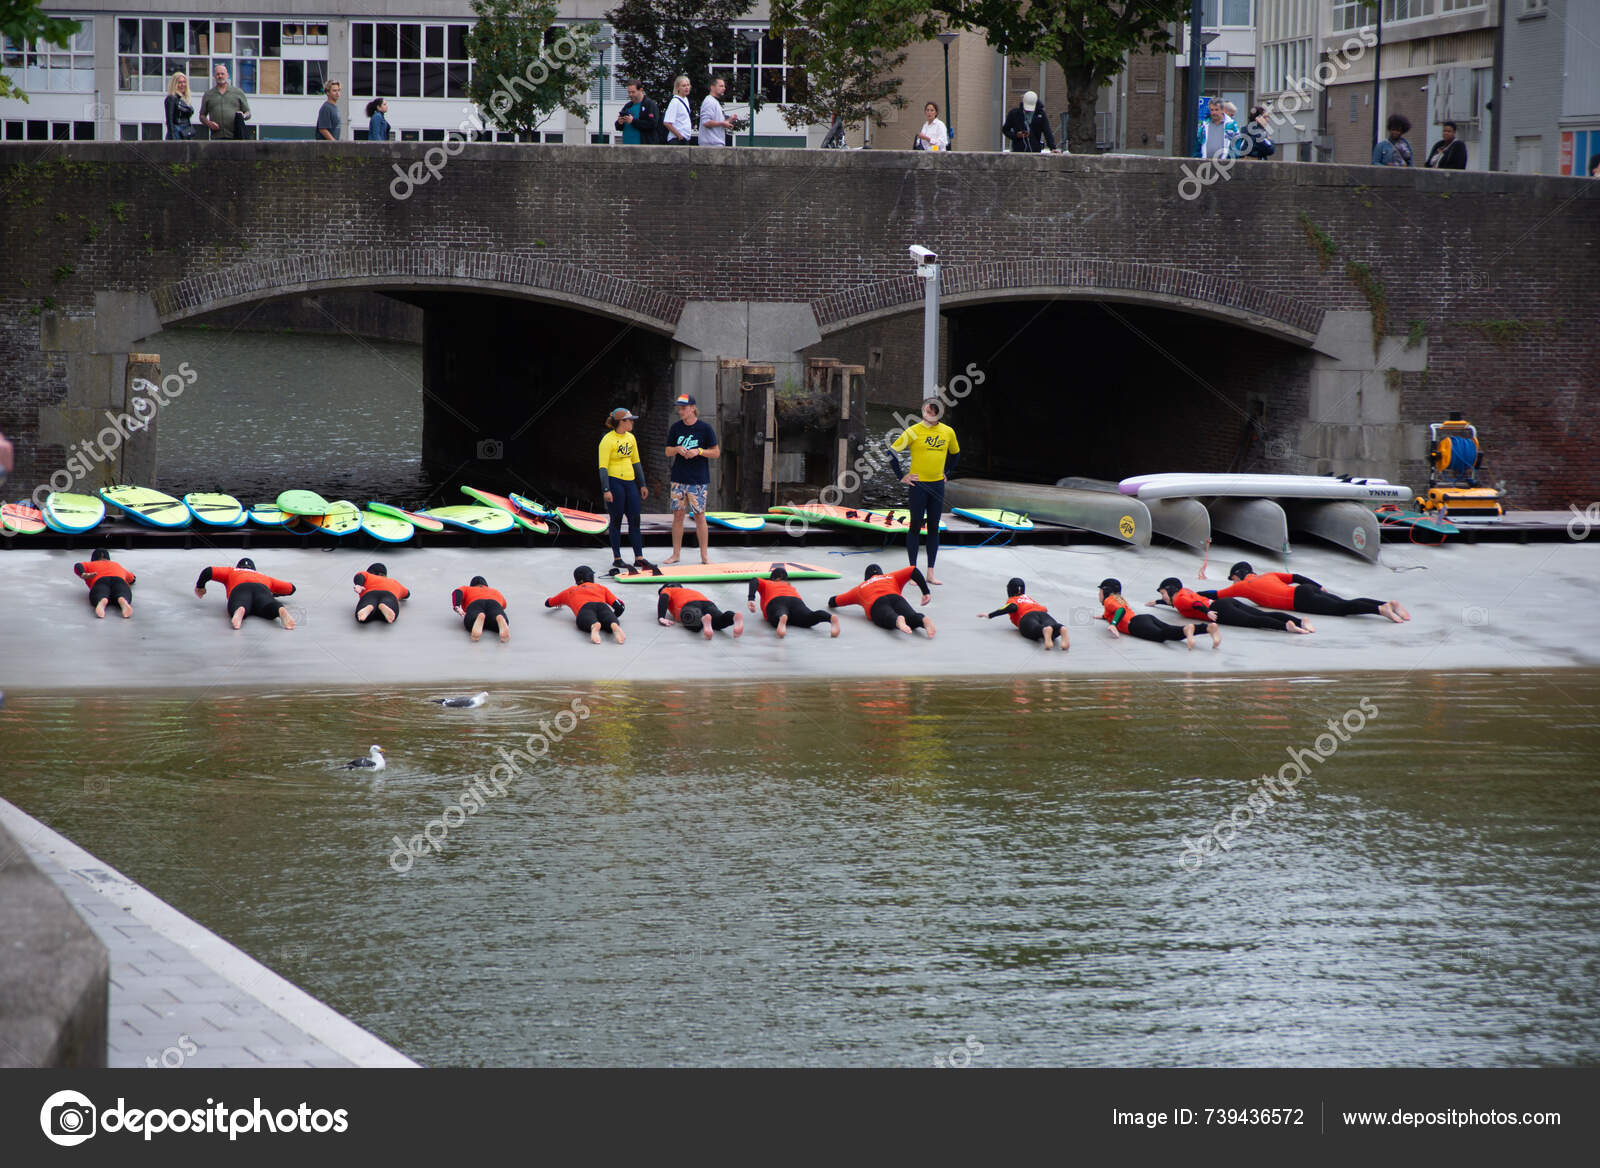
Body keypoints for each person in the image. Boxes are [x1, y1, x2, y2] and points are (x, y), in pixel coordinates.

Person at [888, 398, 959, 585]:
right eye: (927, 411)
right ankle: (912, 571)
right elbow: (891, 453)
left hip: (937, 485)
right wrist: (901, 476)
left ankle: (930, 573)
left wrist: (948, 472)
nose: (930, 414)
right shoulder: (913, 431)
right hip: (918, 486)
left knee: (934, 528)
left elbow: (956, 453)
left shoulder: (948, 431)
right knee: (915, 526)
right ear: (922, 412)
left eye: (934, 411)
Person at [1210, 561, 1410, 623]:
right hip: (1305, 589)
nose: (1232, 582)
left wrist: (1186, 592)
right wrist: (1319, 586)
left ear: (1238, 575)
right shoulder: (1269, 574)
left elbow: (1214, 594)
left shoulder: (1242, 586)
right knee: (1346, 602)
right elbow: (1296, 576)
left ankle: (1380, 609)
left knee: (1342, 609)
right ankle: (1388, 604)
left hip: (1300, 600)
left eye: (1232, 578)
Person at [664, 393, 719, 565]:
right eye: (679, 408)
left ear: (693, 408)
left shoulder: (705, 428)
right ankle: (675, 554)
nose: (680, 411)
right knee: (678, 515)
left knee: (699, 516)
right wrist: (677, 449)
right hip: (678, 478)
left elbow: (716, 452)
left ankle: (704, 556)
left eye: (684, 408)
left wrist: (700, 451)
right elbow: (667, 451)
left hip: (698, 479)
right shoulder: (675, 428)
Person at [1151, 576, 1313, 635]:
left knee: (1253, 621)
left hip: (1219, 612)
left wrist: (1207, 613)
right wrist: (1157, 602)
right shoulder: (1184, 591)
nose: (1163, 597)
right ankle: (1300, 621)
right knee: (1262, 614)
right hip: (1225, 603)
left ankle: (1286, 627)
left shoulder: (1179, 599)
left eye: (1163, 593)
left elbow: (1194, 603)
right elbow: (1192, 599)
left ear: (1171, 590)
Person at [1098, 577, 1216, 649]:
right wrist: (1104, 617)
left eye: (1100, 591)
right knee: (1171, 631)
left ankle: (1189, 629)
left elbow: (1120, 610)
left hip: (1135, 625)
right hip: (1143, 619)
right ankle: (1206, 628)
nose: (1099, 594)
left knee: (1162, 635)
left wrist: (1113, 624)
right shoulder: (1116, 599)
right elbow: (1114, 610)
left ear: (1105, 591)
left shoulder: (1109, 600)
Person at [599, 406, 650, 571]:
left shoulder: (631, 438)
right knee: (616, 520)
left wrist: (642, 484)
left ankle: (639, 557)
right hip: (615, 482)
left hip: (630, 482)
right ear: (621, 422)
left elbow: (636, 461)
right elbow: (603, 467)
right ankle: (617, 557)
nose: (632, 423)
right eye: (630, 420)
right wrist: (606, 489)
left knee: (635, 519)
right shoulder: (607, 440)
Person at [829, 563, 935, 637]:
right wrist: (925, 592)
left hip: (877, 602)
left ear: (866, 579)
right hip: (896, 597)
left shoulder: (860, 588)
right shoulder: (890, 576)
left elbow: (835, 600)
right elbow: (913, 570)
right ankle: (923, 620)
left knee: (886, 617)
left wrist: (832, 601)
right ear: (882, 573)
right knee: (911, 617)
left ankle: (897, 621)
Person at [195, 557, 295, 629]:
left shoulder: (232, 571)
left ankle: (239, 610)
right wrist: (275, 593)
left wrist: (200, 586)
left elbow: (208, 571)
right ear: (254, 569)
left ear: (238, 566)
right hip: (262, 588)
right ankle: (279, 609)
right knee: (267, 604)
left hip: (240, 588)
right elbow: (291, 588)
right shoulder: (265, 577)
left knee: (239, 603)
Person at [748, 564, 839, 637]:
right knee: (809, 617)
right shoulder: (789, 586)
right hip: (795, 600)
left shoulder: (768, 582)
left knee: (777, 613)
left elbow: (754, 580)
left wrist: (751, 598)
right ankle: (830, 618)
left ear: (773, 577)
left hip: (776, 599)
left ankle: (781, 617)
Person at [979, 577, 1067, 650]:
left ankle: (1044, 630)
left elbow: (1012, 607)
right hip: (1042, 614)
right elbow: (1044, 609)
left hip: (1026, 616)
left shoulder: (1012, 600)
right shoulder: (1028, 598)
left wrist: (990, 615)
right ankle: (1061, 628)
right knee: (1053, 627)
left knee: (1032, 630)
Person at [545, 565, 626, 644]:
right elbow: (620, 606)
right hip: (602, 605)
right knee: (607, 616)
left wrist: (553, 602)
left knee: (585, 619)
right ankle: (613, 624)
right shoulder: (600, 587)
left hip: (585, 607)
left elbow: (549, 603)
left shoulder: (570, 591)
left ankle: (593, 625)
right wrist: (613, 616)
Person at [657, 583, 743, 639]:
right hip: (707, 603)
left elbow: (664, 597)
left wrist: (661, 617)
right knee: (718, 622)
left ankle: (702, 619)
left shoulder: (668, 590)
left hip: (688, 604)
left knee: (694, 624)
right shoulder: (690, 590)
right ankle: (733, 616)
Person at [75, 549, 136, 619]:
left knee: (99, 593)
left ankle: (101, 601)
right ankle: (122, 600)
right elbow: (132, 578)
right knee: (122, 592)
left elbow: (78, 565)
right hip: (119, 580)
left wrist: (82, 573)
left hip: (100, 581)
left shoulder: (91, 564)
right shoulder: (116, 564)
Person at [452, 574, 509, 642]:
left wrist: (457, 606)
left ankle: (478, 618)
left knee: (471, 620)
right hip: (494, 603)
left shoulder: (468, 588)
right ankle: (498, 618)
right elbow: (504, 605)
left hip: (475, 603)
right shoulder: (495, 591)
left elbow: (457, 592)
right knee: (496, 616)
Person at [199, 64, 250, 140]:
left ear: (227, 75)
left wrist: (243, 116)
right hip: (216, 137)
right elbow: (202, 115)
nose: (220, 76)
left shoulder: (238, 92)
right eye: (218, 74)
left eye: (222, 74)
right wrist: (209, 124)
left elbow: (248, 112)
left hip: (236, 137)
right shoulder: (208, 94)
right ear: (214, 76)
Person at [616, 80, 661, 145]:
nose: (630, 95)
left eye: (633, 92)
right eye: (629, 92)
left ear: (641, 90)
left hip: (643, 147)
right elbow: (618, 127)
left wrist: (633, 121)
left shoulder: (650, 104)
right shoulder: (628, 106)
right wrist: (619, 122)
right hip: (626, 146)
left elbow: (652, 124)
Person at [699, 76, 737, 147]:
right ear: (712, 87)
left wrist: (729, 120)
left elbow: (719, 123)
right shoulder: (709, 101)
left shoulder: (715, 102)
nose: (724, 88)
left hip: (716, 143)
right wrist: (723, 123)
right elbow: (706, 122)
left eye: (724, 86)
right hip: (710, 145)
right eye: (721, 86)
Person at [664, 75, 695, 145]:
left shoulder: (686, 100)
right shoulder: (675, 102)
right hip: (677, 139)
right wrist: (679, 136)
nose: (687, 88)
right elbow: (667, 122)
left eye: (688, 85)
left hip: (685, 138)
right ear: (678, 88)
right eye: (684, 86)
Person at [165, 72, 195, 140]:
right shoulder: (171, 98)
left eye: (184, 82)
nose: (183, 85)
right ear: (174, 84)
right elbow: (169, 120)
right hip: (177, 129)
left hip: (186, 129)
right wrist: (172, 136)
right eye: (179, 82)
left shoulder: (185, 98)